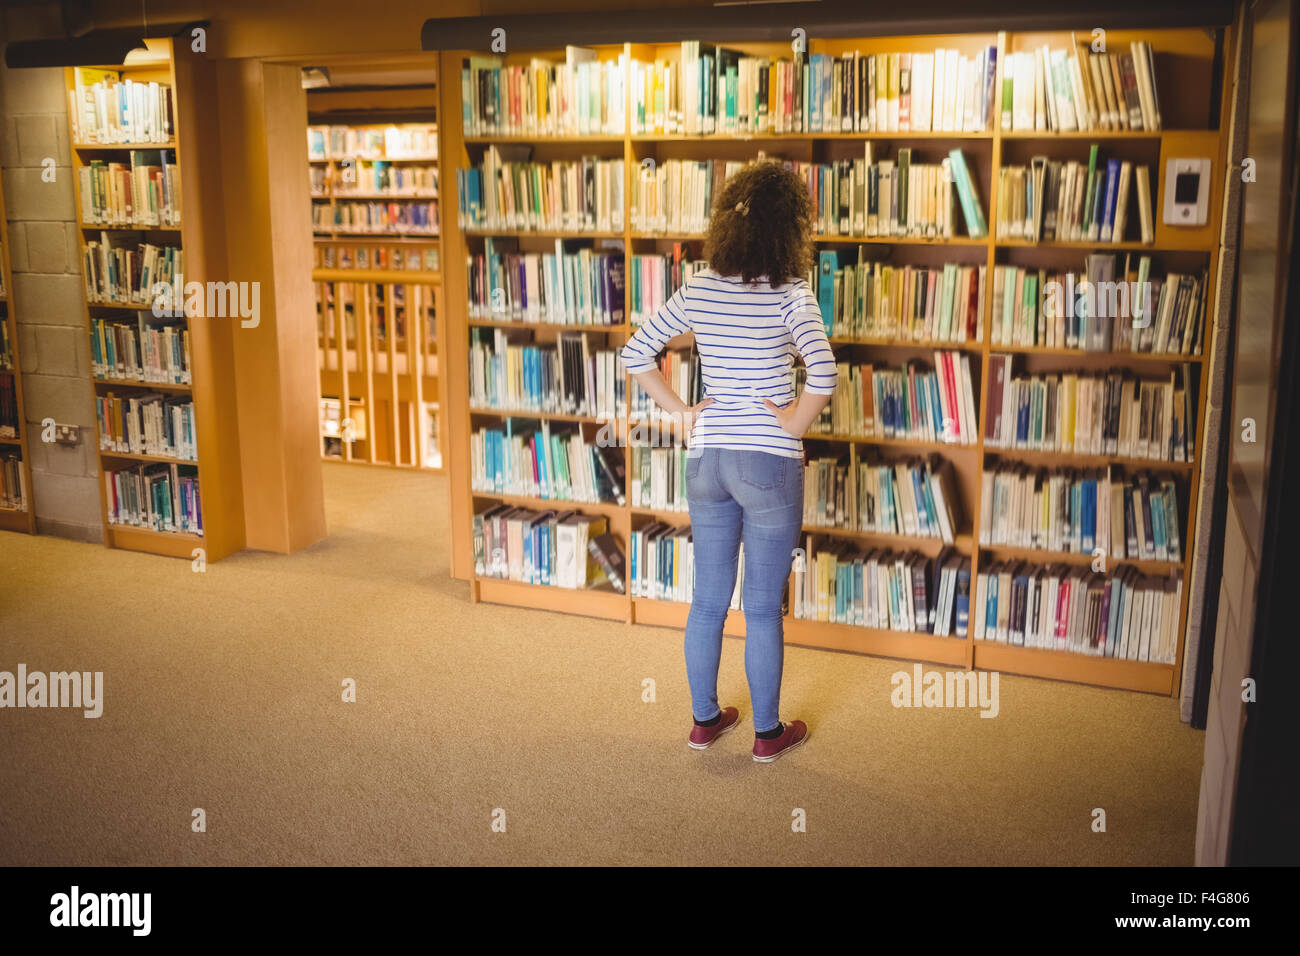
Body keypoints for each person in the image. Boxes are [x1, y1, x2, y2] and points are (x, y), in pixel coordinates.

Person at [619, 161, 837, 763]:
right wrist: (792, 421)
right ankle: (768, 734)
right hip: (765, 461)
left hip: (707, 456)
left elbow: (637, 353)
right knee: (762, 607)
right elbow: (823, 372)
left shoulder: (701, 286)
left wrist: (682, 412)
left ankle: (704, 721)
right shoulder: (792, 294)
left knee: (708, 600)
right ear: (790, 230)